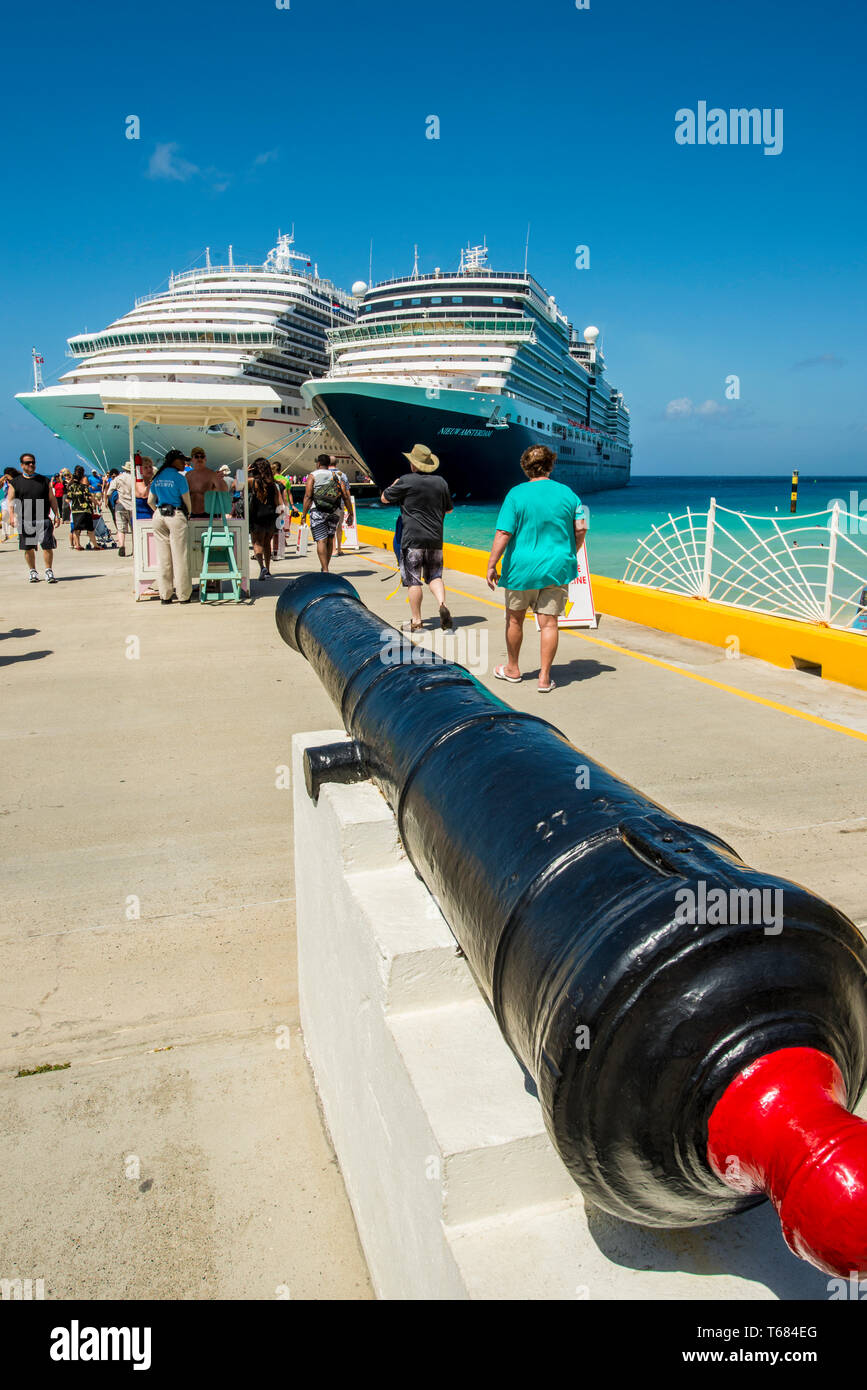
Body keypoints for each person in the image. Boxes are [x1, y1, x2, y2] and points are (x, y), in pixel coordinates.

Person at [486, 444, 587, 693]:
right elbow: (581, 527)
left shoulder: (516, 494)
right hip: (557, 567)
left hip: (522, 568)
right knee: (549, 622)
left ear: (525, 467)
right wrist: (570, 551)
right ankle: (544, 678)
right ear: (551, 465)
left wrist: (491, 563)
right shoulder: (569, 494)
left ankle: (512, 669)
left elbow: (503, 532)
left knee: (514, 619)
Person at [381, 443, 453, 632]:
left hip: (412, 539)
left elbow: (384, 498)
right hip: (435, 538)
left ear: (413, 464)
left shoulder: (406, 480)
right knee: (435, 576)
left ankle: (417, 621)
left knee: (413, 581)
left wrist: (395, 484)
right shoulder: (441, 482)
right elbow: (449, 509)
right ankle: (442, 604)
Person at [6, 452, 61, 583]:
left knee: (47, 546)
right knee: (28, 548)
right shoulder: (15, 482)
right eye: (28, 463)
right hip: (26, 519)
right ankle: (33, 571)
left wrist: (57, 515)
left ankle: (48, 571)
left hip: (43, 517)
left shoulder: (44, 480)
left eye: (33, 462)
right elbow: (10, 500)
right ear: (22, 465)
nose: (31, 465)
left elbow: (52, 498)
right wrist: (12, 516)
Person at [147, 448, 192, 604]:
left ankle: (165, 595)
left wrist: (158, 512)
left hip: (159, 515)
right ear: (174, 461)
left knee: (164, 558)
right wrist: (188, 514)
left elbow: (150, 501)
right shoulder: (179, 478)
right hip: (176, 515)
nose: (184, 463)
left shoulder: (157, 477)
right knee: (180, 557)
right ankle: (183, 595)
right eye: (182, 460)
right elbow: (187, 501)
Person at [302, 453, 354, 573]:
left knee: (321, 540)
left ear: (318, 463)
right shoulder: (338, 476)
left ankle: (325, 569)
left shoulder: (313, 475)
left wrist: (303, 514)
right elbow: (345, 496)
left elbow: (308, 496)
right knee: (330, 539)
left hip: (318, 511)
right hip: (334, 511)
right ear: (329, 464)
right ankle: (326, 567)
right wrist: (350, 513)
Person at [248, 457, 282, 579]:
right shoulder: (273, 484)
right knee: (267, 543)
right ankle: (267, 569)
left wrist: (246, 471)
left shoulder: (252, 482)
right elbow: (278, 503)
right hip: (271, 515)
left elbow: (237, 484)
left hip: (257, 515)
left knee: (257, 542)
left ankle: (261, 567)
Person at [186, 447, 227, 517]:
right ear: (192, 459)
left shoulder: (211, 474)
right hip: (192, 514)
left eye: (202, 457)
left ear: (205, 459)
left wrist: (220, 480)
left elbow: (224, 490)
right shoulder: (188, 475)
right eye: (196, 456)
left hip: (207, 514)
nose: (199, 459)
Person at [66, 465, 97, 551]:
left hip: (75, 510)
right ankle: (95, 545)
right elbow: (89, 496)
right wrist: (97, 503)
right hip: (85, 509)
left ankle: (77, 545)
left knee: (76, 529)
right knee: (90, 528)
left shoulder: (71, 486)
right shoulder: (84, 486)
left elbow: (67, 500)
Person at [113, 461, 134, 556]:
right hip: (132, 505)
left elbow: (109, 491)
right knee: (134, 528)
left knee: (121, 528)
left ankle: (122, 545)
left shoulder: (118, 478)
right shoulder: (134, 478)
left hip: (120, 504)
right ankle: (135, 549)